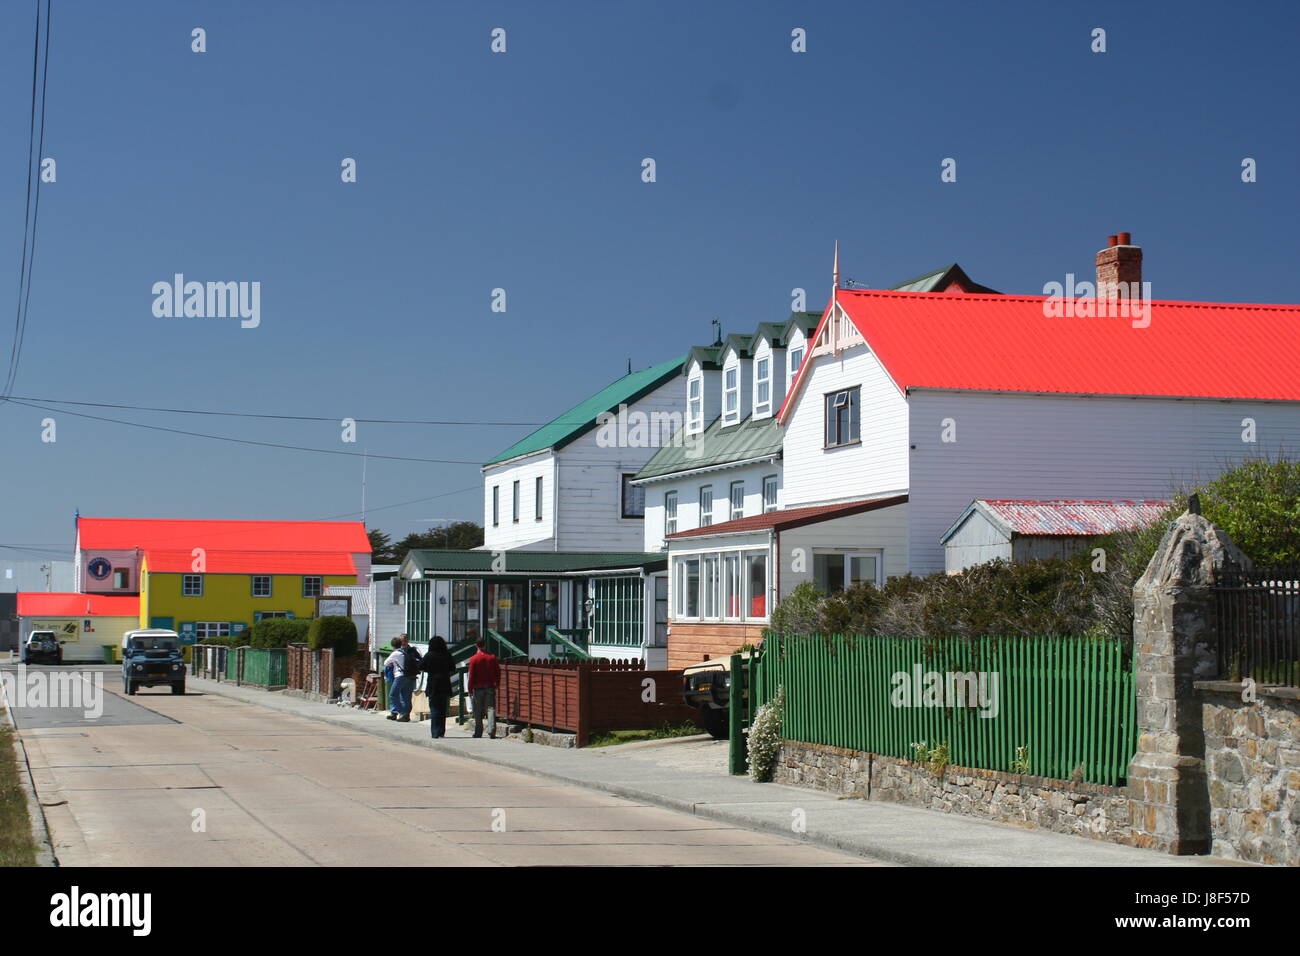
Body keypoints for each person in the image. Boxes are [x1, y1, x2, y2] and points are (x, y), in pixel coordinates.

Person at [466, 638, 500, 739]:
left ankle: (478, 732)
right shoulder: (492, 657)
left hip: (478, 687)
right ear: (485, 645)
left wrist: (470, 689)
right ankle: (492, 729)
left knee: (477, 710)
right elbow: (498, 672)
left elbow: (471, 676)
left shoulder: (473, 659)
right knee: (491, 708)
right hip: (490, 686)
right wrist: (497, 683)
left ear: (476, 646)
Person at [421, 635, 453, 739]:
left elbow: (420, 666)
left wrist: (429, 669)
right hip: (444, 684)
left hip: (433, 685)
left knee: (434, 709)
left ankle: (435, 732)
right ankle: (441, 731)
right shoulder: (447, 655)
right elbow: (453, 667)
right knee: (443, 709)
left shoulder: (429, 655)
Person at [385, 635, 419, 722]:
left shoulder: (396, 653)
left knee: (393, 695)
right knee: (406, 697)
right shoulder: (408, 652)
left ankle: (403, 713)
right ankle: (405, 715)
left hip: (400, 676)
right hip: (409, 676)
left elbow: (386, 663)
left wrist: (392, 663)